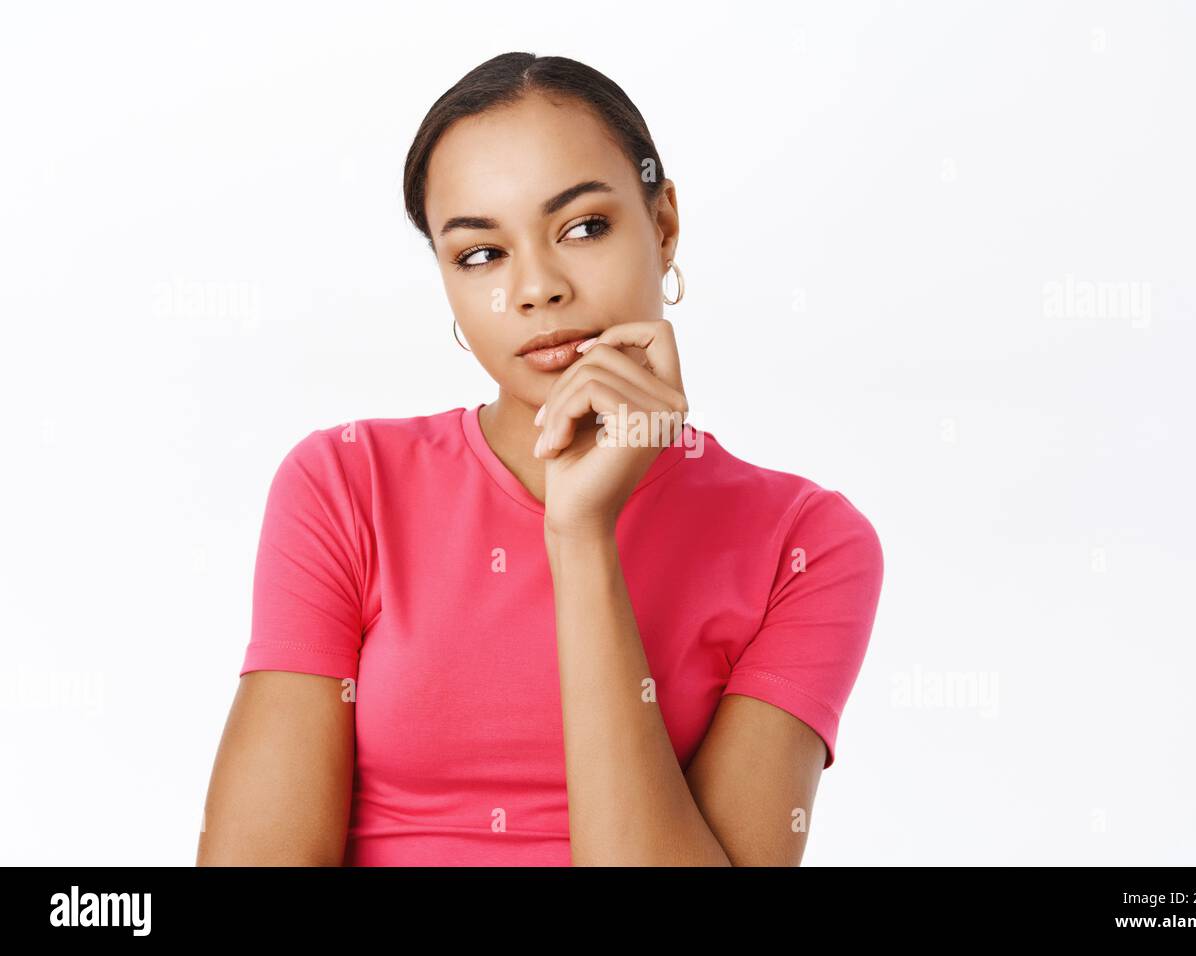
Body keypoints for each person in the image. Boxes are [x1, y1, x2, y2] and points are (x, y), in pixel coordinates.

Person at [198, 52, 884, 867]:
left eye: (583, 227)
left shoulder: (805, 544)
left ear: (663, 225)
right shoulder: (346, 483)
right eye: (481, 254)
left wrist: (581, 537)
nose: (537, 290)